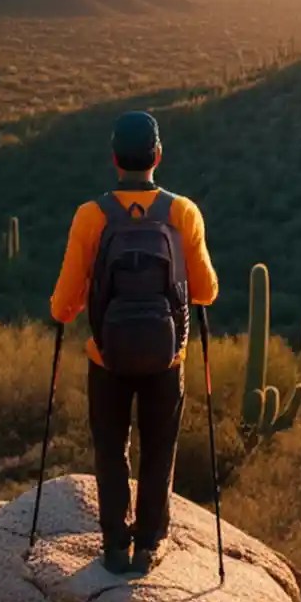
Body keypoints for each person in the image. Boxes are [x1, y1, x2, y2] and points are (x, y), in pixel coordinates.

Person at [49, 110, 219, 576]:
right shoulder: (182, 212)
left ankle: (113, 546)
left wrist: (70, 309)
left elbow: (64, 304)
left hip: (107, 358)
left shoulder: (91, 216)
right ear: (158, 156)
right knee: (159, 449)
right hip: (167, 358)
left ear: (113, 159)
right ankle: (149, 545)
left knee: (110, 448)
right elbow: (205, 292)